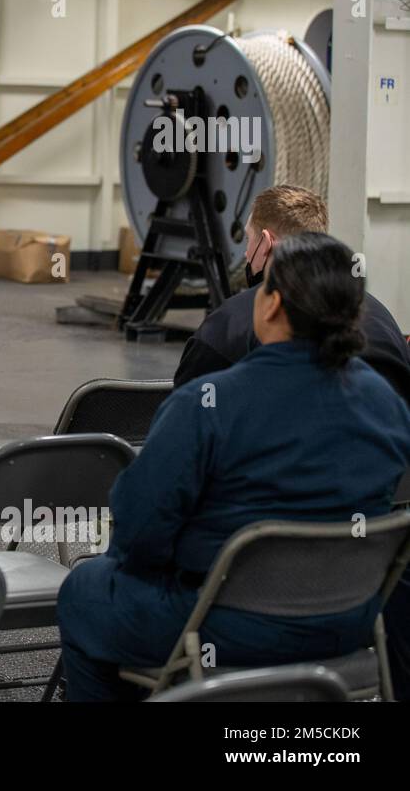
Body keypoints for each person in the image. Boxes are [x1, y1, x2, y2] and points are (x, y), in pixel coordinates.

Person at [58, 232, 410, 701]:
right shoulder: (386, 403)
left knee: (84, 591)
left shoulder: (207, 405)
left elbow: (138, 530)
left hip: (222, 625)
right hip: (349, 620)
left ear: (272, 305)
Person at [175, 184, 410, 403]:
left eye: (249, 239)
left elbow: (188, 415)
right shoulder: (381, 317)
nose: (247, 254)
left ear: (266, 242)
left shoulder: (228, 324)